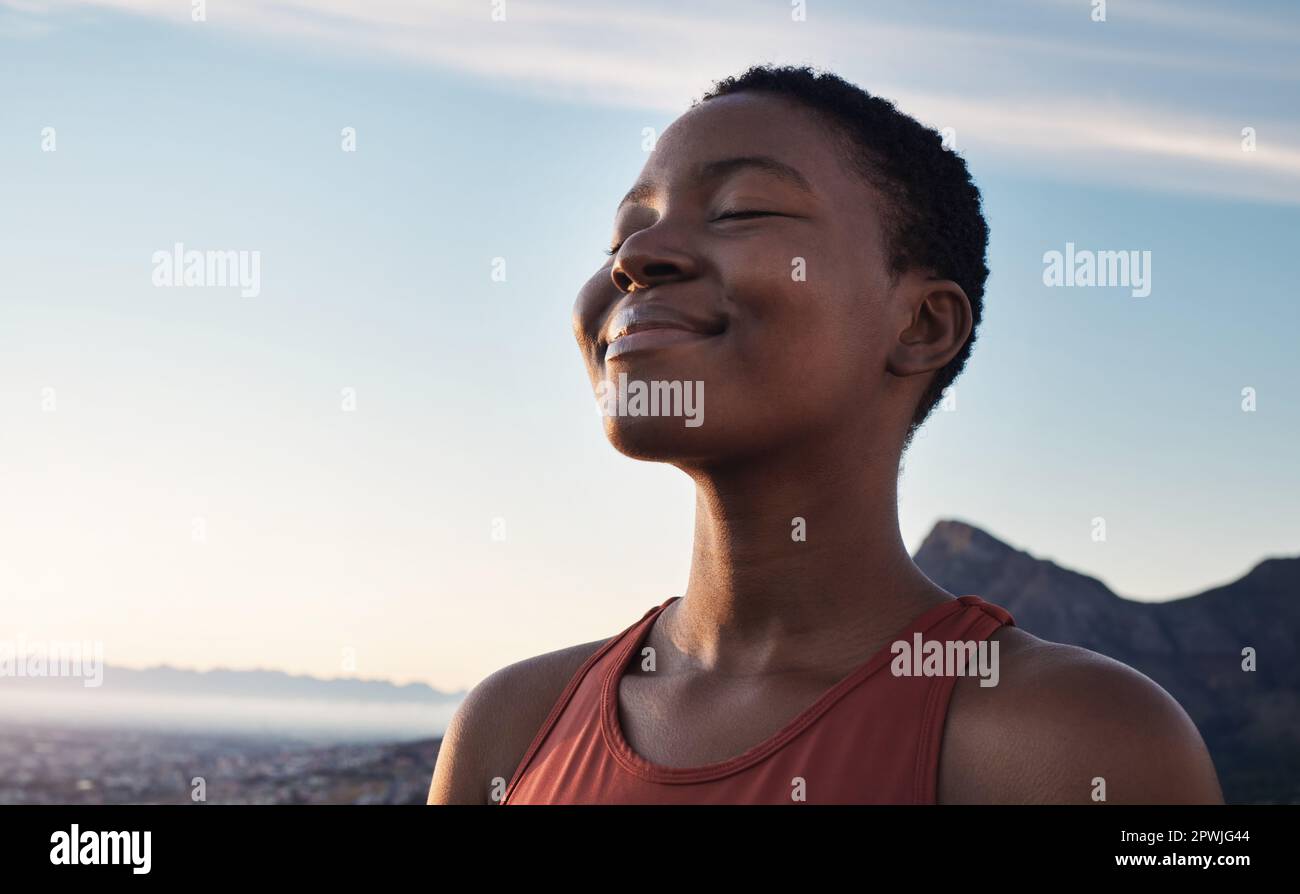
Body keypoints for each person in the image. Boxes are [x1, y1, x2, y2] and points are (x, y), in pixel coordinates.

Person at [428, 64, 1223, 804]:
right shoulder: (509, 726)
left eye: (740, 210)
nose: (636, 258)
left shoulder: (1077, 743)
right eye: (624, 234)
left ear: (920, 324)